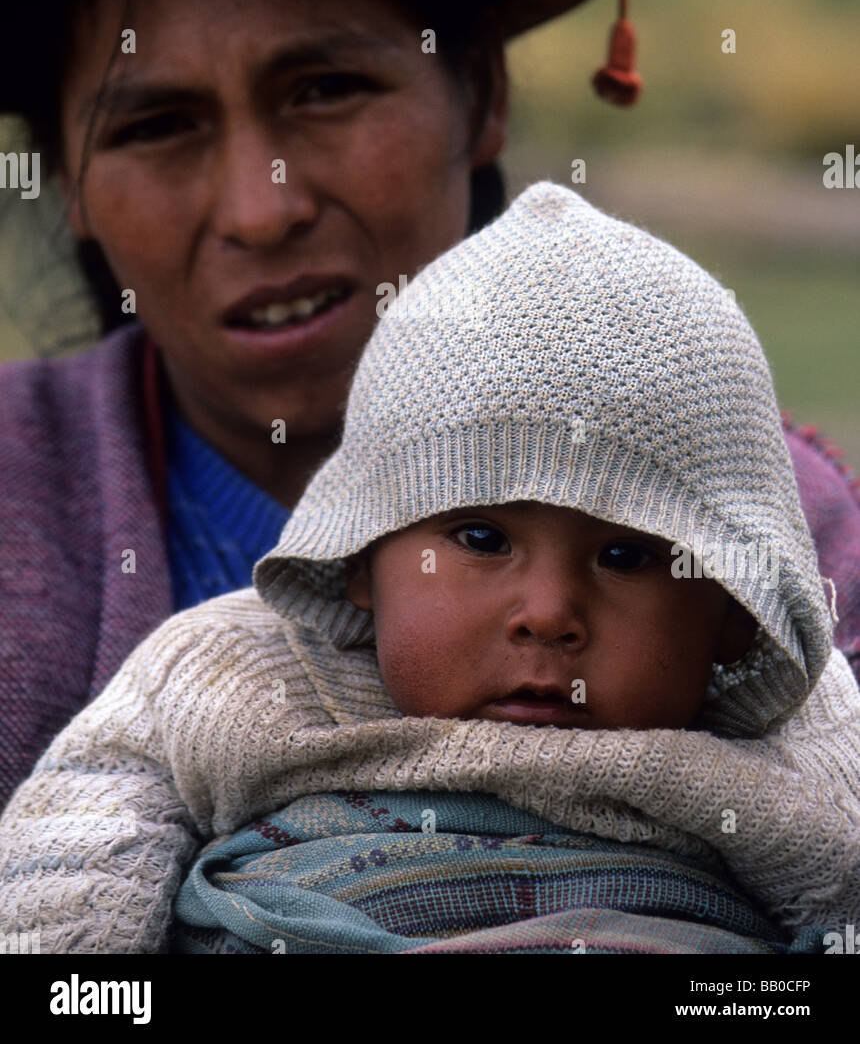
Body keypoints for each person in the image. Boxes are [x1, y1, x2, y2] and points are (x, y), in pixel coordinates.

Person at [0, 0, 858, 815]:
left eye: (326, 91)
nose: (263, 205)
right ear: (68, 181)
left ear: (481, 96)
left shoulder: (766, 541)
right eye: (156, 124)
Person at [1, 183, 857, 955]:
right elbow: (86, 831)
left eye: (626, 556)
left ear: (733, 613)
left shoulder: (790, 733)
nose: (549, 613)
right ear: (364, 555)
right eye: (481, 539)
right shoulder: (240, 670)